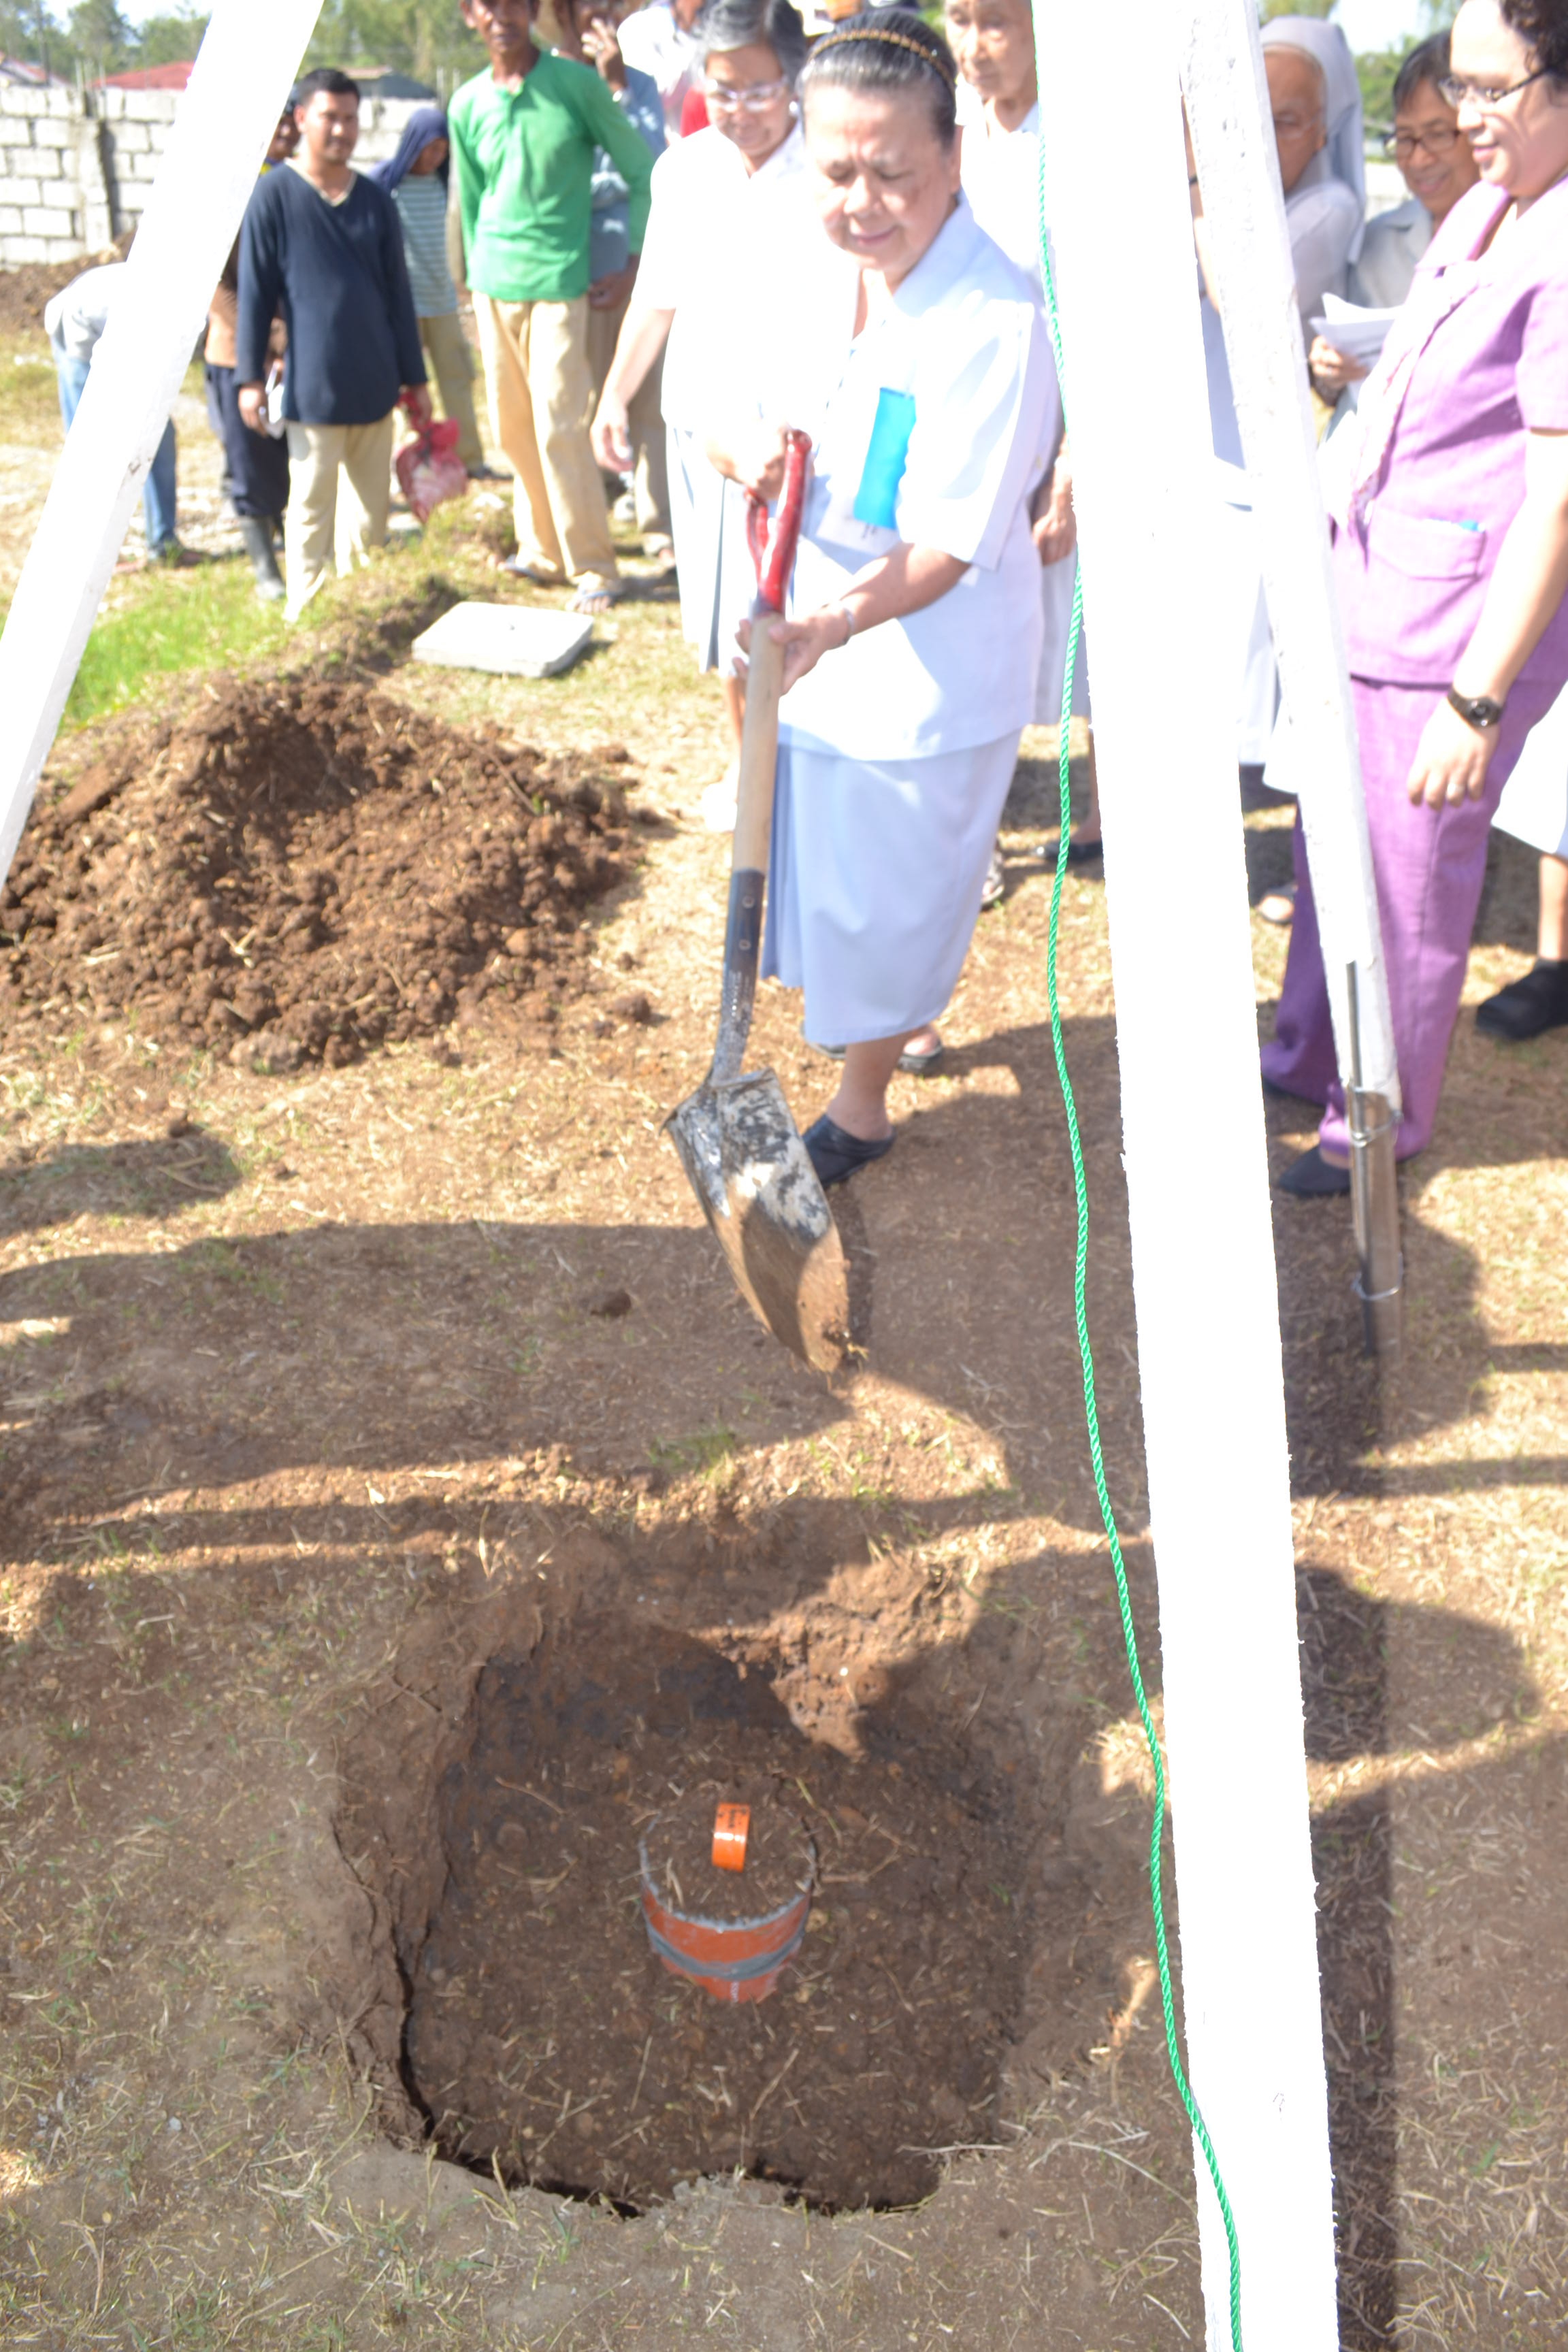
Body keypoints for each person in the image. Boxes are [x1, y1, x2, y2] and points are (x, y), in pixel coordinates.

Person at [706, 10, 1055, 1186]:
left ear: (953, 157)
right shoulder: (815, 269)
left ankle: (860, 1106)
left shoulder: (994, 318)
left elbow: (947, 544)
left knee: (895, 891)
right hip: (809, 636)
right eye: (834, 171)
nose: (860, 202)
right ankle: (882, 1020)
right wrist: (744, 447)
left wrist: (828, 624)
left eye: (892, 174)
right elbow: (728, 406)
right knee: (834, 878)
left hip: (922, 664)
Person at [1262, 0, 1568, 1192]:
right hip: (1374, 582)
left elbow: (1556, 501)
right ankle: (1307, 1054)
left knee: (1404, 888)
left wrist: (1475, 700)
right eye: (1458, 85)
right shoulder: (1493, 203)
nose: (1463, 113)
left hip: (1453, 631)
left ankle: (1373, 1122)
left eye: (1493, 90)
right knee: (1327, 842)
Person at [591, 0, 812, 824]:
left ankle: (812, 772)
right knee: (727, 613)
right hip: (704, 423)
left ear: (794, 80)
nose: (740, 111)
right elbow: (658, 294)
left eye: (759, 91)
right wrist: (615, 394)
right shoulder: (682, 171)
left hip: (799, 428)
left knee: (800, 604)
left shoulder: (832, 164)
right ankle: (748, 767)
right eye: (723, 91)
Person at [1192, 14, 1366, 906]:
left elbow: (1241, 295)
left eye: (1287, 120)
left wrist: (1193, 180)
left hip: (1248, 475)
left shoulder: (1327, 208)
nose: (1261, 138)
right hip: (1200, 460)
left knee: (1235, 682)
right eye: (1247, 112)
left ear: (1325, 130)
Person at [945, 0, 1098, 889]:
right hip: (970, 416)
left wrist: (1073, 459)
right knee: (966, 624)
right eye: (959, 19)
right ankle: (978, 838)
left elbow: (1096, 313)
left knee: (1082, 628)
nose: (974, 46)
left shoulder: (1076, 142)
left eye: (995, 22)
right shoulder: (947, 131)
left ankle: (1108, 813)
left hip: (1059, 420)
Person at [450, 0, 655, 614]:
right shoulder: (466, 104)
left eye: (516, 3)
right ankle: (540, 550)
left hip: (560, 283)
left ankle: (594, 565)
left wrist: (635, 261)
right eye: (488, 5)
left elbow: (643, 172)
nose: (502, 16)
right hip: (493, 284)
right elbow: (472, 201)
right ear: (469, 14)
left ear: (534, 11)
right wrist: (471, 284)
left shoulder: (575, 86)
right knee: (512, 429)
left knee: (560, 424)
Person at [236, 68, 430, 621]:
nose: (341, 130)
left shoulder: (374, 201)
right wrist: (249, 378)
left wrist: (415, 380)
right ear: (302, 119)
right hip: (314, 387)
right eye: (329, 118)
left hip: (375, 383)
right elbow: (255, 294)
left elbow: (399, 295)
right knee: (311, 506)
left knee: (371, 514)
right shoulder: (274, 196)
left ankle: (358, 614)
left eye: (350, 118)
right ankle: (307, 613)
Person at [553, 0, 672, 562]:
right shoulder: (550, 79)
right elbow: (565, 174)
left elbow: (653, 168)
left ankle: (657, 523)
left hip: (637, 254)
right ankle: (588, 516)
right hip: (571, 260)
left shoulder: (640, 84)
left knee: (646, 396)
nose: (597, 14)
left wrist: (618, 89)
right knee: (576, 395)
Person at [1309, 35, 1480, 406]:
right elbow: (1337, 387)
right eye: (1404, 139)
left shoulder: (1524, 237)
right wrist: (1330, 370)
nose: (1418, 159)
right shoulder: (1378, 242)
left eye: (1437, 135)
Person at [206, 99, 298, 603]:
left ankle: (290, 543)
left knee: (287, 458)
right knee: (249, 461)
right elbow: (216, 287)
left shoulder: (289, 186)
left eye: (289, 121)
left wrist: (286, 338)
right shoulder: (224, 196)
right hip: (238, 355)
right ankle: (265, 568)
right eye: (273, 122)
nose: (284, 131)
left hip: (290, 352)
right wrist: (260, 340)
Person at [368, 103, 489, 475]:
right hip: (402, 306)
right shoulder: (383, 184)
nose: (435, 157)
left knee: (457, 379)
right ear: (413, 143)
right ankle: (408, 462)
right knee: (402, 387)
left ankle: (470, 459)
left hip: (442, 300)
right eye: (429, 148)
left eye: (442, 150)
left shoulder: (444, 184)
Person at [46, 263, 189, 567]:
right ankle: (86, 556)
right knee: (89, 449)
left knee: (160, 438)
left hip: (110, 330)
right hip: (76, 334)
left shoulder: (179, 301)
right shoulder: (147, 308)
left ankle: (163, 545)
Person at [618, 0, 705, 139]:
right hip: (667, 144)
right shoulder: (637, 27)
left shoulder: (712, 25)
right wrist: (701, 52)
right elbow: (654, 96)